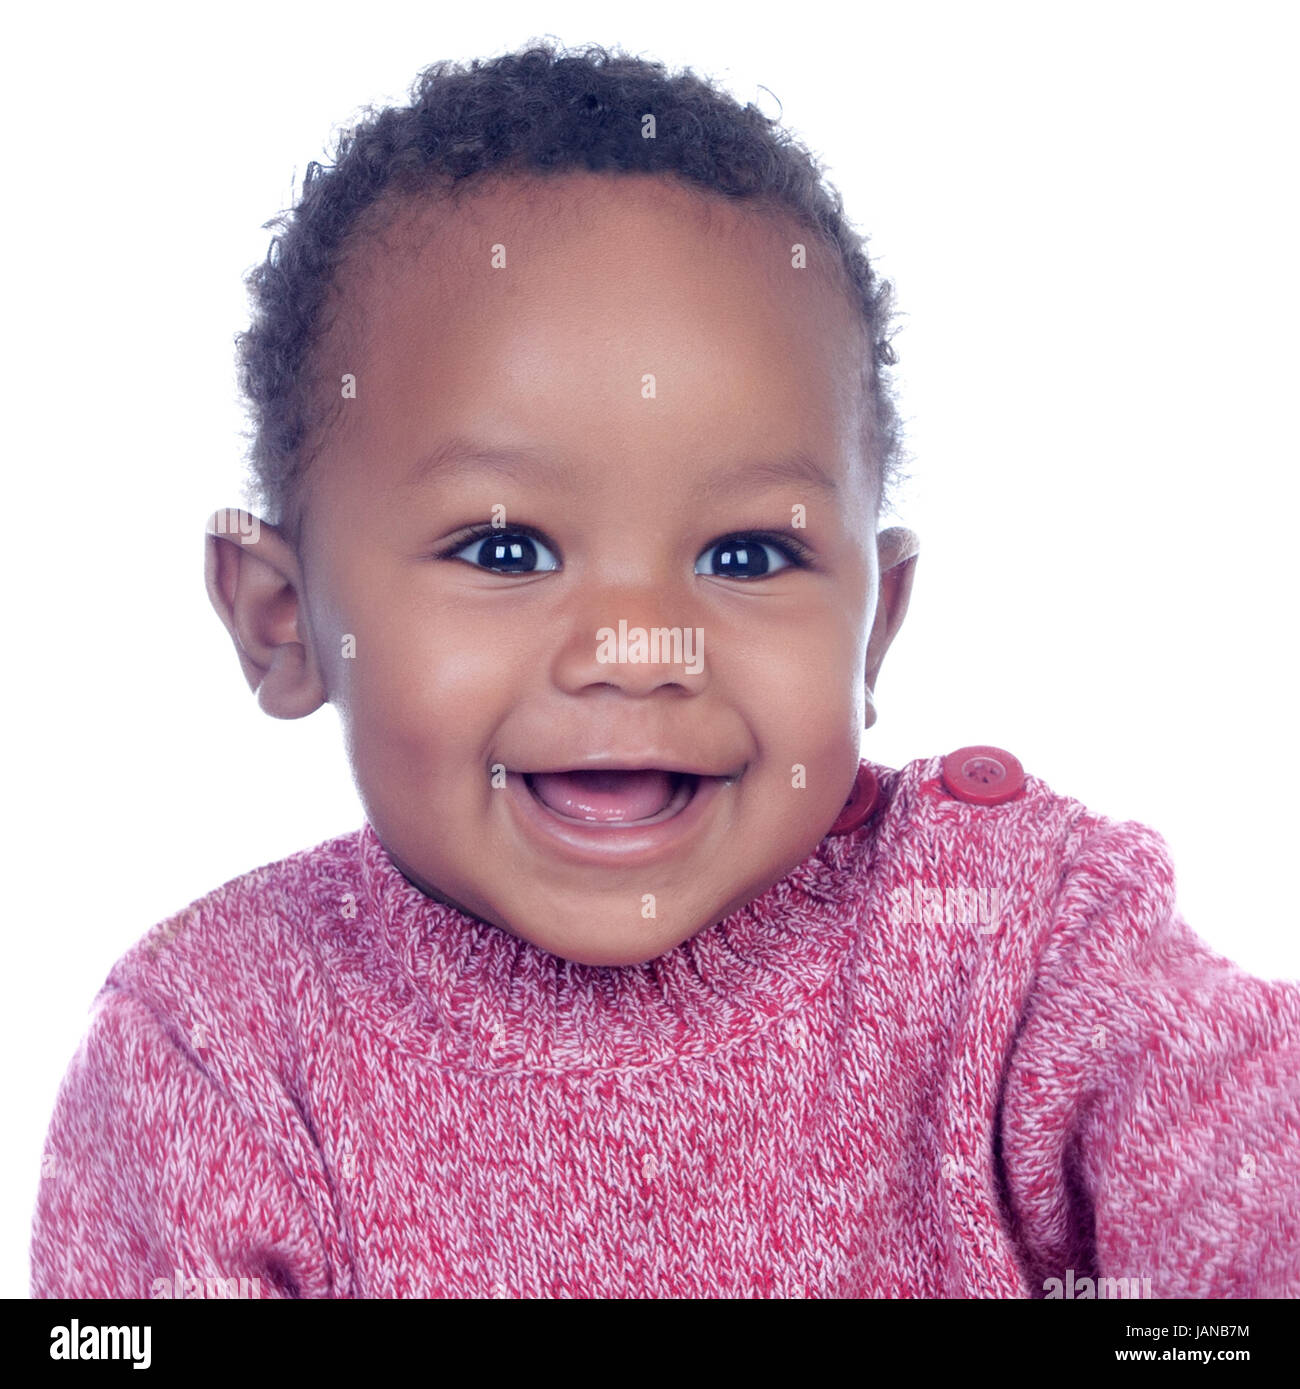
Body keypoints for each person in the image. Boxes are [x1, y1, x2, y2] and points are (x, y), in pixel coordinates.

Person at [30, 39, 1300, 1299]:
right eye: (507, 546)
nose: (638, 651)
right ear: (282, 617)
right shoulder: (214, 1056)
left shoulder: (1018, 948)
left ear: (874, 627)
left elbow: (1249, 1167)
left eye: (746, 556)